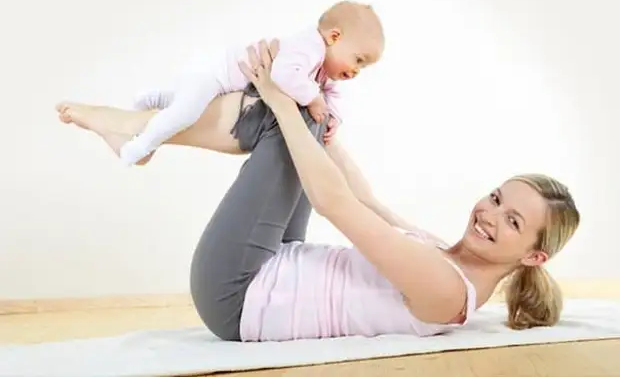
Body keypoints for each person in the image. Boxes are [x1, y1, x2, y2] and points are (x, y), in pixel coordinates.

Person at [56, 41, 580, 342]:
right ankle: (142, 132)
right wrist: (323, 124)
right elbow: (366, 200)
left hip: (237, 294)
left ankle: (137, 130)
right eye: (496, 198)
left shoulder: (446, 291)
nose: (489, 214)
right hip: (276, 264)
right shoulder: (445, 256)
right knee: (302, 122)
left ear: (534, 254)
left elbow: (336, 204)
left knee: (282, 120)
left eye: (512, 221)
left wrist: (282, 101)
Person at [118, 0, 385, 166]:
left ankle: (155, 97)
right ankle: (141, 145)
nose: (357, 70)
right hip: (216, 71)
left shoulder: (325, 68)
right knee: (188, 112)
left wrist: (334, 117)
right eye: (358, 59)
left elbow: (332, 94)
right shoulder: (308, 47)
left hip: (220, 83)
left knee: (195, 102)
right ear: (334, 37)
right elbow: (283, 75)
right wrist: (314, 99)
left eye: (363, 66)